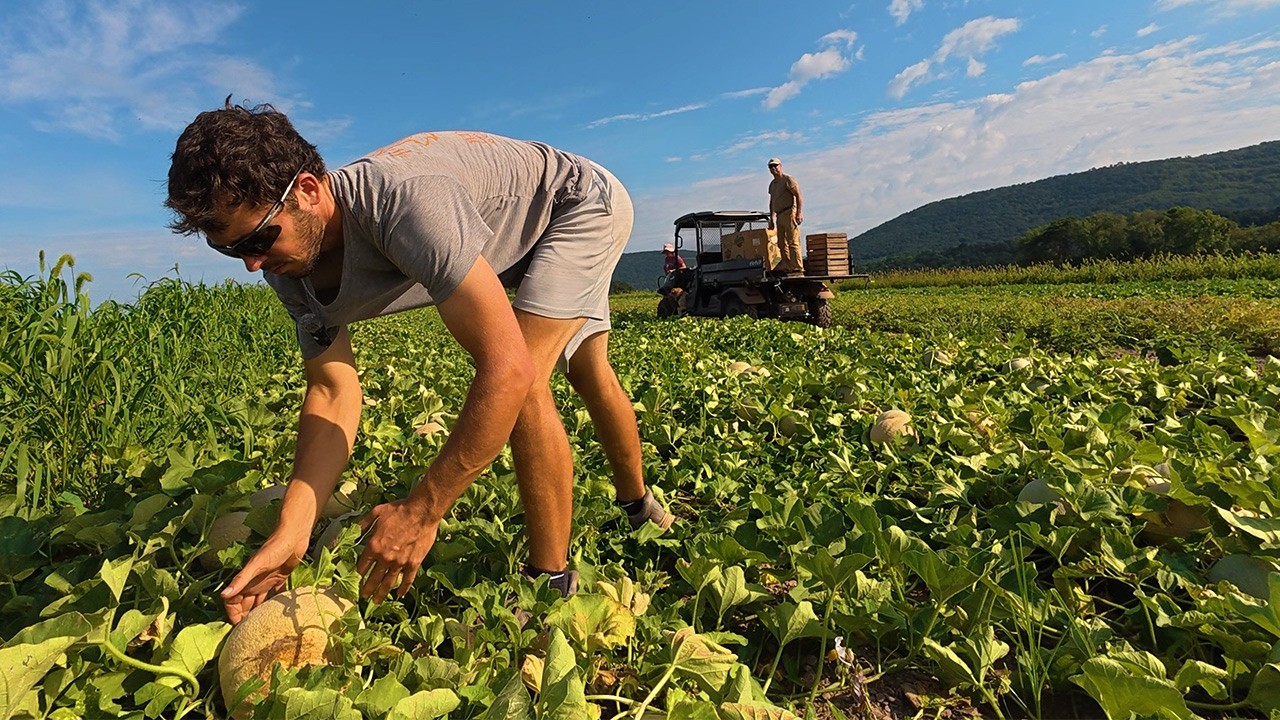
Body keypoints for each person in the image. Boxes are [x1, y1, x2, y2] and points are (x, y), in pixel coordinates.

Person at [165, 100, 673, 625]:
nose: (251, 264)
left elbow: (509, 370)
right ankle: (642, 510)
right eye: (231, 251)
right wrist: (294, 528)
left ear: (309, 192)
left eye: (256, 239)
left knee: (527, 380)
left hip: (577, 204)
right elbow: (332, 391)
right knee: (588, 369)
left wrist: (422, 510)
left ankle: (549, 584)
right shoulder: (285, 267)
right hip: (498, 240)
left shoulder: (404, 204)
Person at [766, 158, 805, 274]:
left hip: (789, 212)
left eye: (775, 165)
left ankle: (797, 266)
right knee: (781, 243)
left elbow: (798, 195)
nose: (773, 168)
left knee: (793, 241)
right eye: (770, 167)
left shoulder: (788, 179)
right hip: (779, 215)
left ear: (780, 166)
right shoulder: (772, 184)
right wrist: (771, 218)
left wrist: (799, 212)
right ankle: (788, 266)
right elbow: (772, 202)